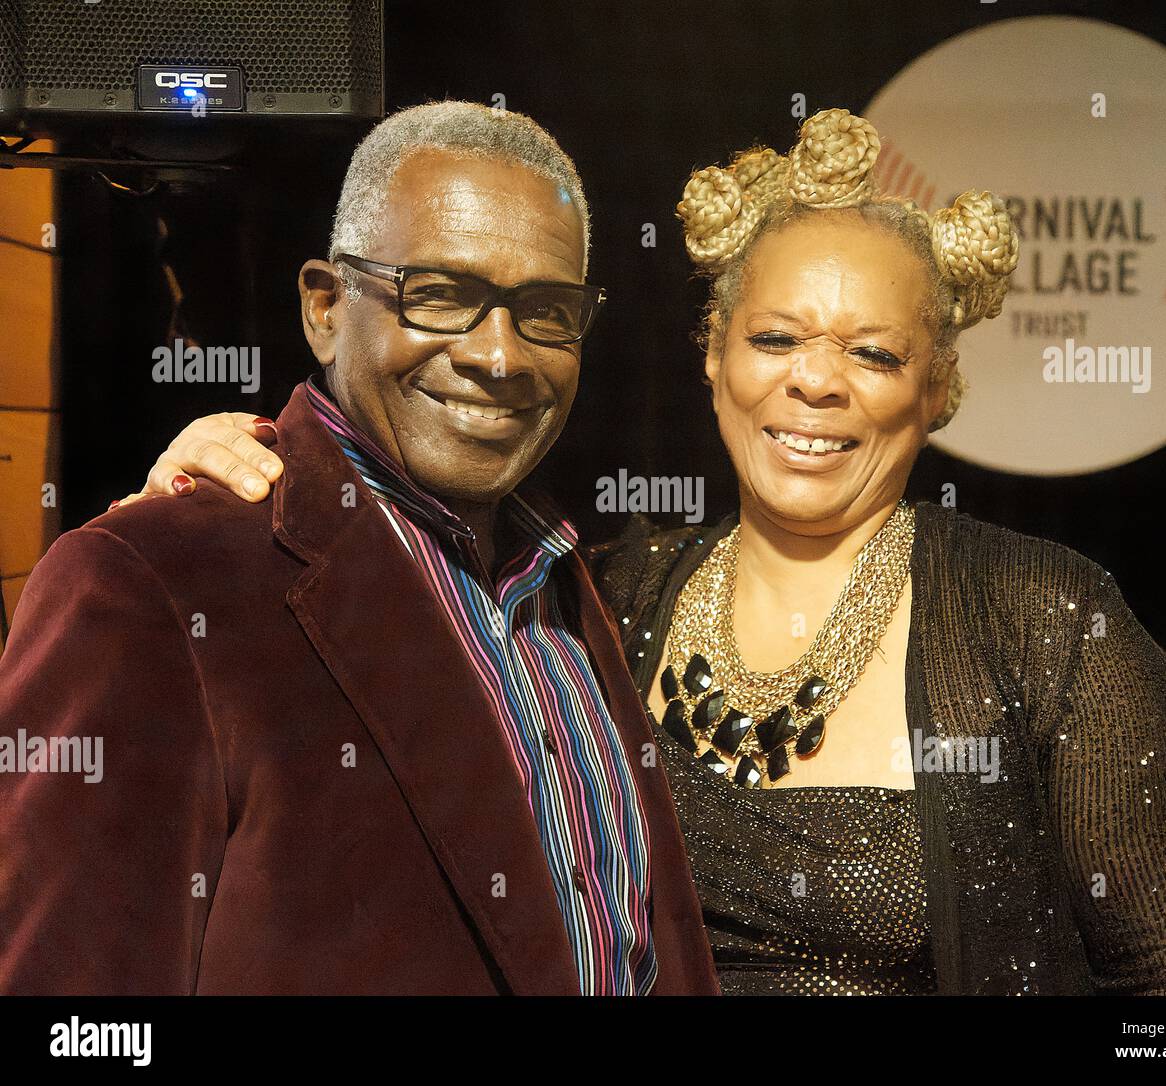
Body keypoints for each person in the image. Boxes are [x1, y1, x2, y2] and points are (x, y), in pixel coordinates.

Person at [107, 110, 1166, 995]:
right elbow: (364, 617)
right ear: (714, 357)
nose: (814, 381)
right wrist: (242, 464)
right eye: (777, 337)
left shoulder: (1047, 623)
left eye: (874, 354)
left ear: (936, 390)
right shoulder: (590, 594)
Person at [0, 101, 719, 996]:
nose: (498, 355)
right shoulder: (147, 584)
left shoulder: (570, 582)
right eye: (441, 294)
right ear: (326, 307)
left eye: (544, 310)